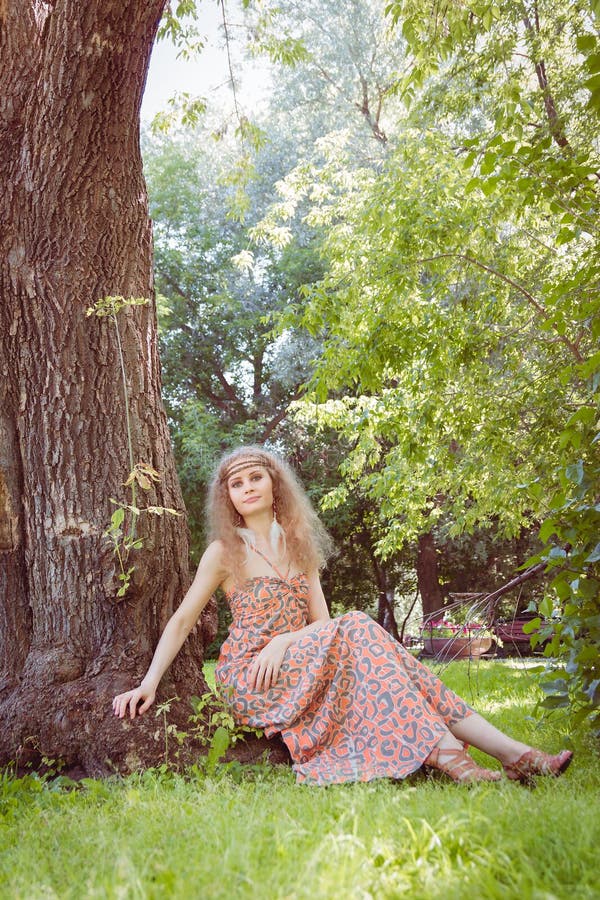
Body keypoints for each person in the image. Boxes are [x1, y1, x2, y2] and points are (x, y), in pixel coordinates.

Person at [112, 446, 573, 786]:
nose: (247, 488)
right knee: (360, 628)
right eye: (236, 483)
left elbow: (323, 624)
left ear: (274, 484)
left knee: (406, 671)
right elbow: (182, 620)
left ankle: (507, 755)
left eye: (255, 477)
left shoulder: (299, 545)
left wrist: (283, 641)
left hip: (302, 660)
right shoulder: (222, 552)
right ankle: (466, 759)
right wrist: (149, 683)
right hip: (251, 676)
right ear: (228, 497)